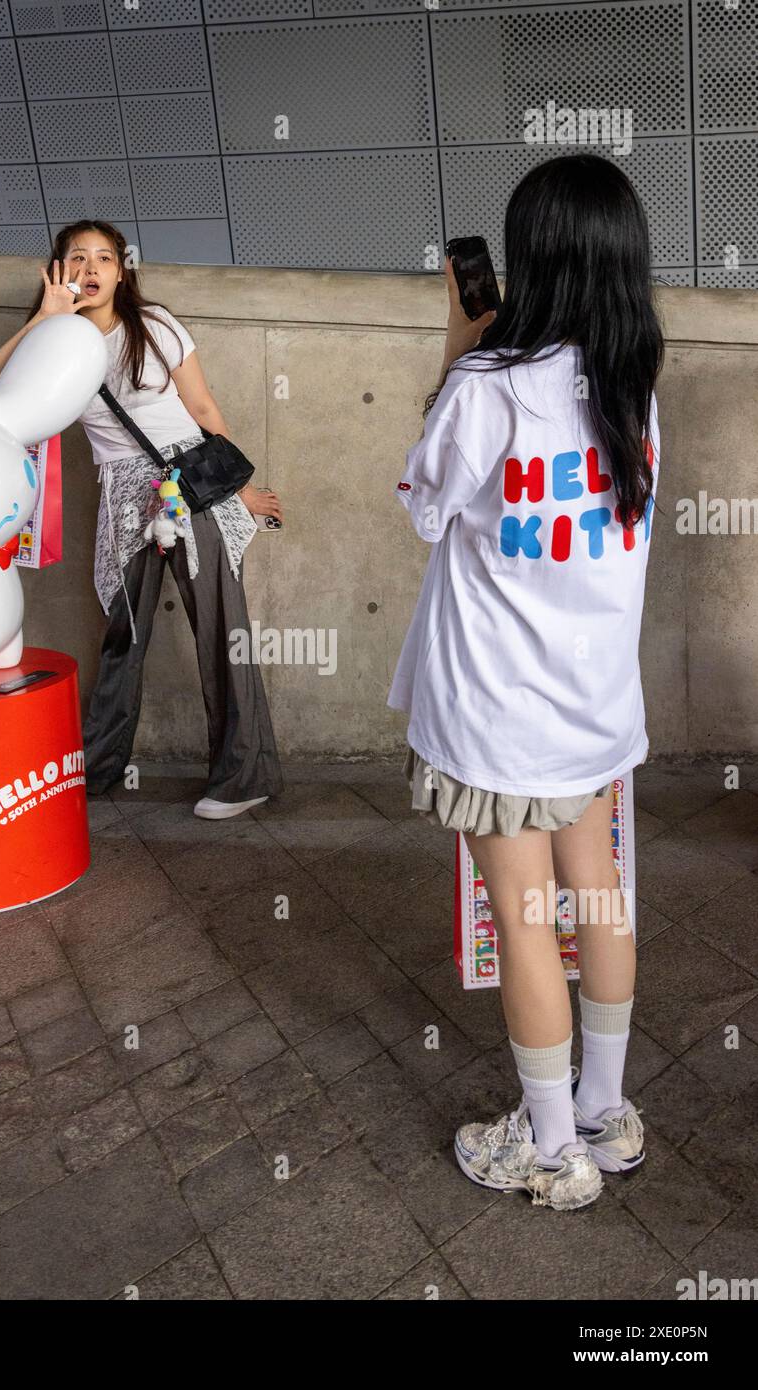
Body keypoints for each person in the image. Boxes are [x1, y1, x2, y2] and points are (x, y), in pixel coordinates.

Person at [388, 153, 662, 1211]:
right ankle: (605, 1108)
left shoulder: (487, 388)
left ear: (529, 258)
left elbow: (423, 502)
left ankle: (549, 1148)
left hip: (501, 715)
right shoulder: (635, 386)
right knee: (597, 894)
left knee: (523, 915)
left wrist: (462, 345)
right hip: (594, 708)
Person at [0, 219, 284, 818]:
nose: (91, 270)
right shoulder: (53, 345)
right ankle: (97, 768)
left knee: (221, 630)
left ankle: (244, 775)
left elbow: (201, 407)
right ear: (59, 271)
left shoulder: (156, 324)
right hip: (124, 493)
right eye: (77, 259)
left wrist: (240, 489)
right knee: (124, 635)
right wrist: (45, 319)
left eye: (103, 258)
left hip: (190, 482)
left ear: (123, 270)